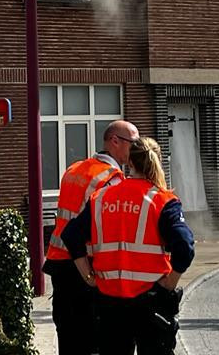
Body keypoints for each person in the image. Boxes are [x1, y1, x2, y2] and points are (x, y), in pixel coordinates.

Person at [63, 137, 195, 355]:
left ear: (130, 164)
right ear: (157, 162)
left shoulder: (101, 197)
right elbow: (184, 245)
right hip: (151, 300)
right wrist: (171, 281)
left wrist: (89, 277)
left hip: (109, 302)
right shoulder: (162, 200)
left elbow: (71, 235)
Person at [43, 119, 141, 355]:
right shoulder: (112, 179)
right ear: (115, 141)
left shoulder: (75, 169)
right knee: (91, 340)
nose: (137, 150)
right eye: (134, 143)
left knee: (68, 337)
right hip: (84, 267)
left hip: (59, 265)